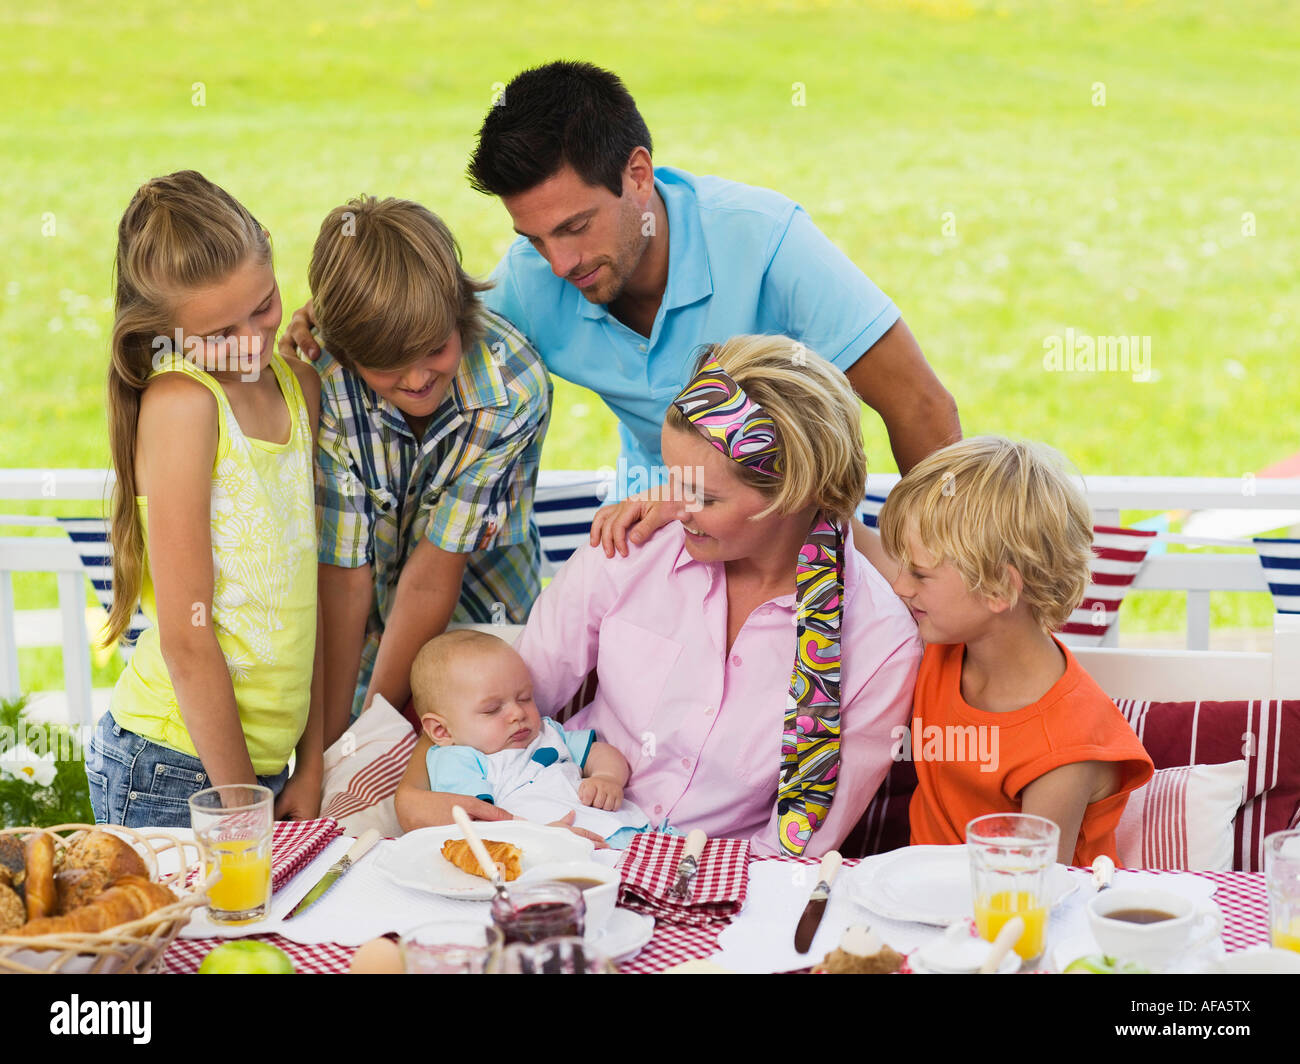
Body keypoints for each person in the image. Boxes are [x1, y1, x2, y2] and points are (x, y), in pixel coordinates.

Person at [279, 61, 959, 559]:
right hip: (645, 524)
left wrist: (928, 568)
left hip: (786, 512)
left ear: (639, 175)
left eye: (574, 228)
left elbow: (921, 408)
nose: (560, 264)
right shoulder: (532, 284)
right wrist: (337, 322)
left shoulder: (765, 238)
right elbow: (419, 325)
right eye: (534, 238)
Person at [395, 335, 923, 858]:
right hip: (560, 844)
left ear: (797, 493)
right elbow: (500, 691)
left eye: (703, 495)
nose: (672, 504)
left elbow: (802, 845)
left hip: (719, 880)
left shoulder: (878, 643)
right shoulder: (630, 550)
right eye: (674, 477)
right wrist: (415, 796)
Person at [88, 171, 324, 828]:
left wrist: (311, 764)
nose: (251, 341)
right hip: (174, 766)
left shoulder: (299, 387)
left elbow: (310, 585)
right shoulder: (183, 406)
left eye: (265, 305)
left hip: (261, 771)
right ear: (161, 333)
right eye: (220, 333)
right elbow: (188, 639)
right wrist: (243, 805)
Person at [307, 197, 551, 746]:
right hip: (364, 637)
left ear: (460, 311)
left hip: (486, 627)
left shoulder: (510, 386)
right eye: (389, 365)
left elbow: (433, 570)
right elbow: (344, 579)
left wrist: (370, 734)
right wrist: (332, 747)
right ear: (342, 352)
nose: (417, 379)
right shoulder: (324, 384)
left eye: (436, 350)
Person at [876, 436, 1154, 866]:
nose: (899, 586)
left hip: (1009, 921)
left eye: (920, 574)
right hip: (927, 904)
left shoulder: (1063, 745)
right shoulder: (948, 636)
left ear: (999, 588)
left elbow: (1030, 890)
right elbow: (845, 533)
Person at [412, 629, 650, 846]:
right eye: (493, 709)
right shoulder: (459, 760)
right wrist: (540, 838)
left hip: (627, 832)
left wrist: (607, 777)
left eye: (525, 698)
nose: (517, 713)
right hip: (543, 851)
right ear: (442, 731)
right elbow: (477, 823)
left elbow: (599, 752)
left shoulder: (547, 733)